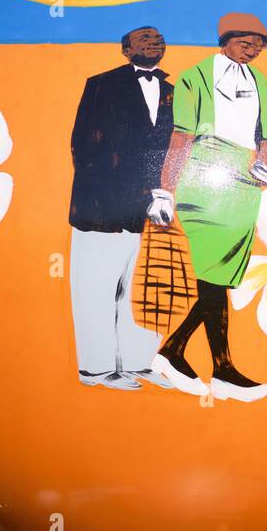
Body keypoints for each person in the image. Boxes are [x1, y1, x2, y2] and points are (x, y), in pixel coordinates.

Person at [147, 13, 267, 402]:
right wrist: (165, 192)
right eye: (246, 42)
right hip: (203, 174)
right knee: (211, 272)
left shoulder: (264, 84)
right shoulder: (196, 77)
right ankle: (208, 365)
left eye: (260, 44)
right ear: (227, 38)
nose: (253, 50)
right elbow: (181, 137)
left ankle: (183, 355)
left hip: (245, 185)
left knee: (217, 278)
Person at [67, 25, 175, 390]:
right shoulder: (101, 85)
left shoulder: (172, 93)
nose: (153, 43)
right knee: (97, 287)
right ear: (126, 50)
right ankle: (97, 369)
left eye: (158, 38)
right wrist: (132, 194)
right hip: (102, 208)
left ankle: (138, 362)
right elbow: (86, 147)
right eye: (144, 38)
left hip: (151, 212)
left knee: (141, 288)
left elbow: (172, 151)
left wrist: (162, 195)